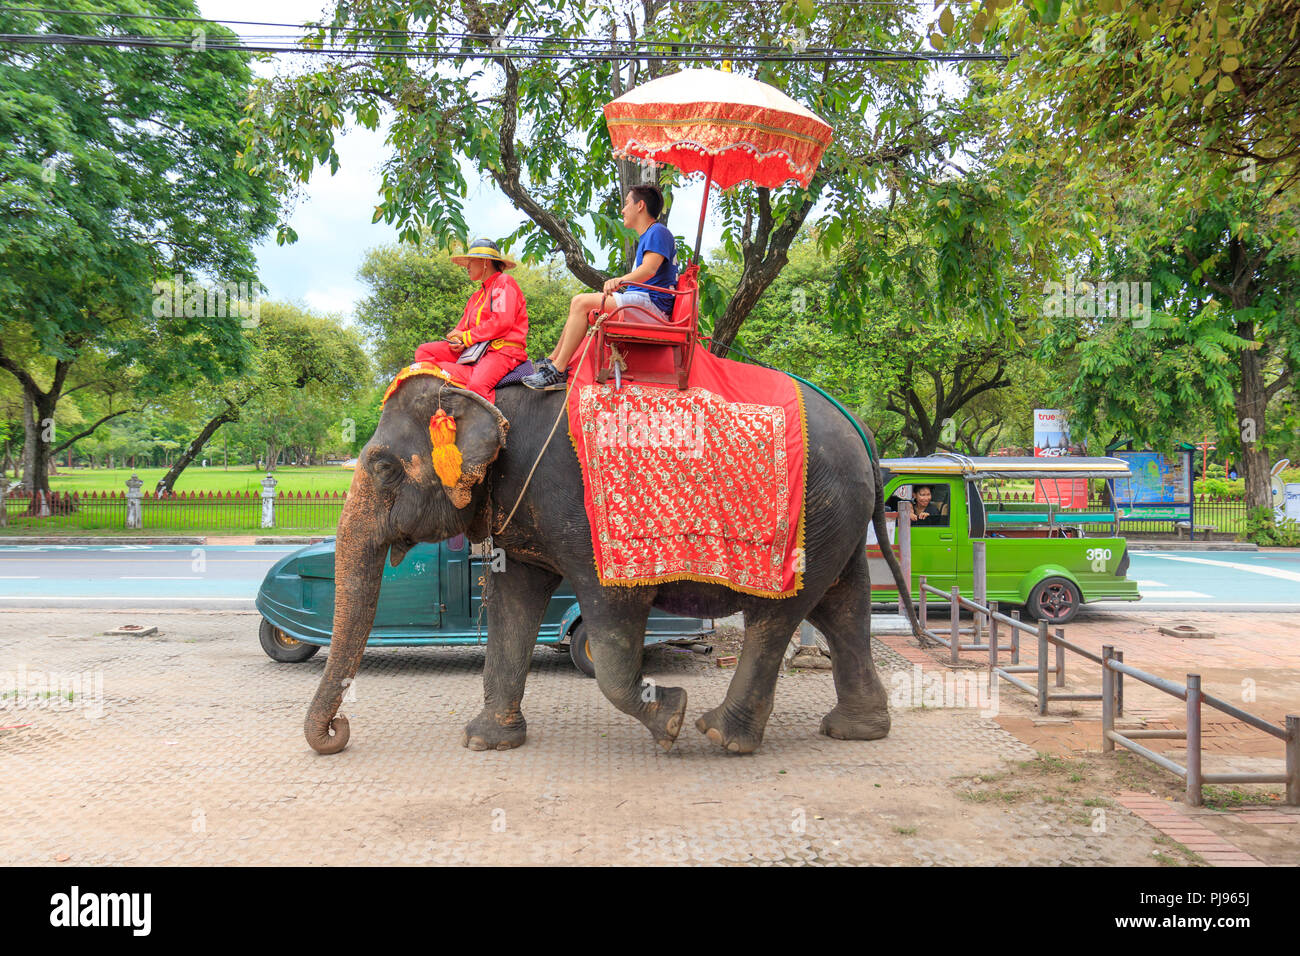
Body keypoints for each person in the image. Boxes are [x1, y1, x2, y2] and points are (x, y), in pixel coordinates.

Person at [523, 183, 677, 390]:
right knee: (578, 303)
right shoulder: (649, 235)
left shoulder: (658, 231)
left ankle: (558, 369)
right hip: (642, 304)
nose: (623, 210)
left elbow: (649, 269)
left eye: (626, 204)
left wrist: (620, 280)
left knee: (581, 302)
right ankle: (552, 361)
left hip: (652, 308)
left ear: (640, 206)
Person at [412, 239, 528, 403]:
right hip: (473, 350)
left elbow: (502, 322)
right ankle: (468, 373)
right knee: (423, 352)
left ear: (485, 261)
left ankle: (495, 426)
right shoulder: (475, 297)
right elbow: (460, 330)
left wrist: (466, 338)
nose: (467, 266)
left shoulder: (503, 282)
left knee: (477, 385)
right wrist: (457, 340)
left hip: (502, 350)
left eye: (470, 261)